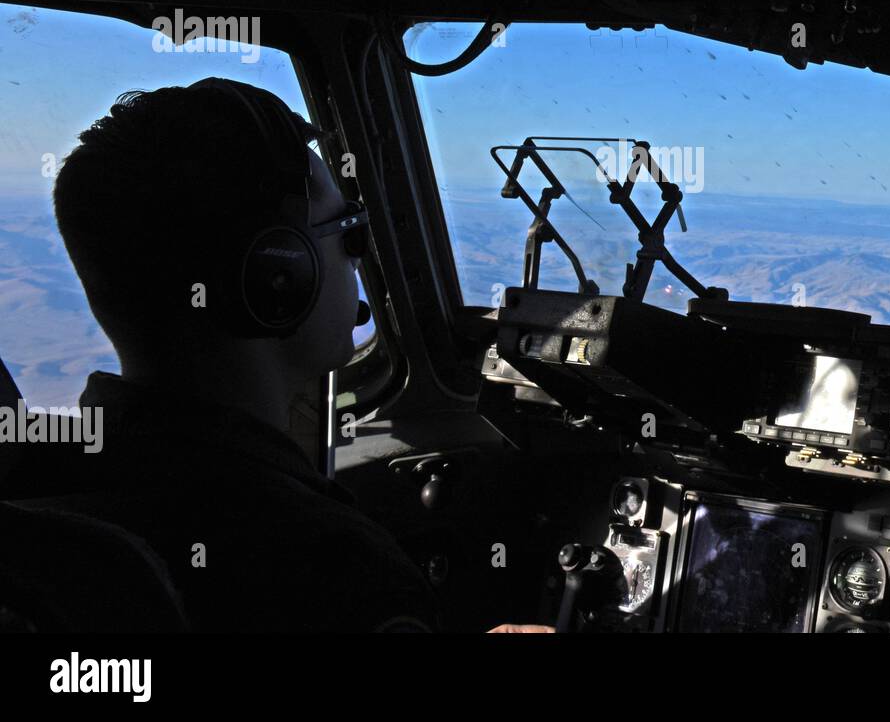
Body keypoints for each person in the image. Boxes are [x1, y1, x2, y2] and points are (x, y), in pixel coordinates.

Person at [47, 78, 546, 633]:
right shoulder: (329, 567)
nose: (358, 259)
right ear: (277, 276)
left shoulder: (45, 484)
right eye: (347, 235)